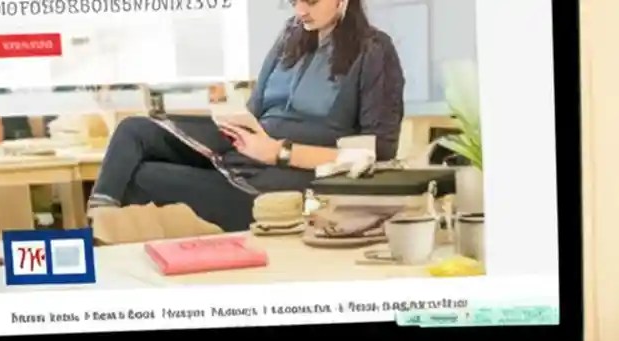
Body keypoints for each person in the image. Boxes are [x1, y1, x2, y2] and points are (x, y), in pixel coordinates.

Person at [87, 0, 406, 232]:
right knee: (133, 131)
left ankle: (96, 241)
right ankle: (95, 227)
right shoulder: (290, 36)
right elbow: (256, 110)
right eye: (294, 1)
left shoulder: (374, 50)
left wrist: (279, 152)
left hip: (285, 180)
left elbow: (377, 152)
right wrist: (237, 126)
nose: (300, 11)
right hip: (249, 151)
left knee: (140, 177)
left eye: (311, 1)